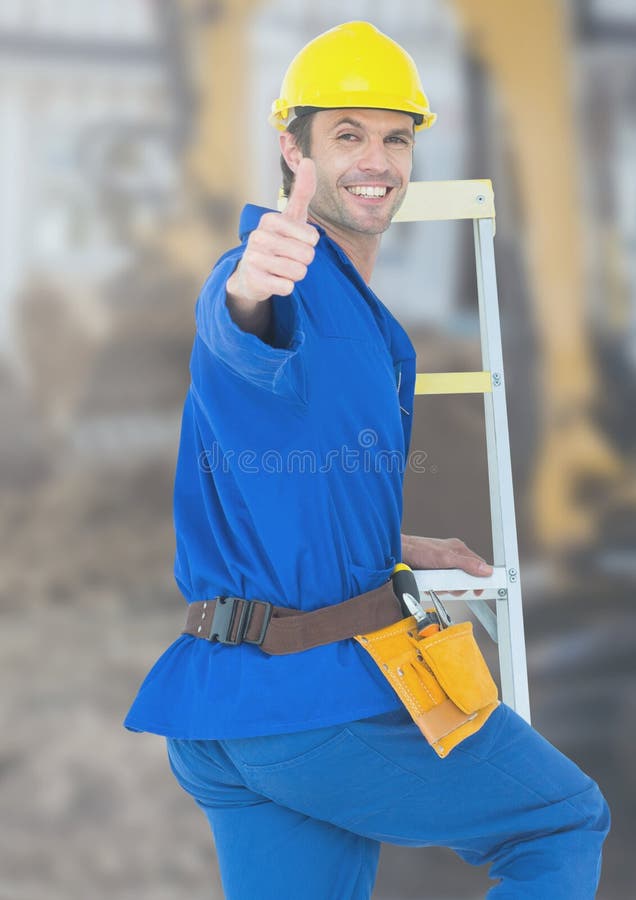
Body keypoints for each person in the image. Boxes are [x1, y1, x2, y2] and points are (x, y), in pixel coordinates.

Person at [125, 21, 609, 899]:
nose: (376, 159)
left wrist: (398, 545)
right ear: (291, 147)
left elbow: (289, 477)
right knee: (560, 821)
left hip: (227, 707)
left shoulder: (352, 309)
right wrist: (245, 287)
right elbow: (235, 333)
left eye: (395, 137)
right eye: (347, 135)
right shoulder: (279, 279)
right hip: (318, 703)